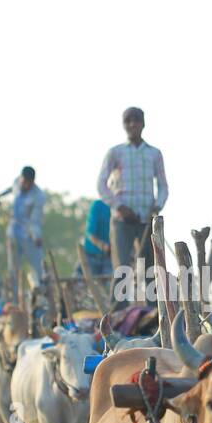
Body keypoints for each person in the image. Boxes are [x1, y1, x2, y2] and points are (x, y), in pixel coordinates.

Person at [97, 107, 168, 299]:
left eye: (136, 120)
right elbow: (101, 184)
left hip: (146, 220)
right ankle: (118, 315)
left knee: (150, 266)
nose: (132, 124)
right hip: (122, 220)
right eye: (128, 120)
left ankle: (156, 314)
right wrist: (119, 206)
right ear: (124, 125)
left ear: (143, 123)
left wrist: (157, 206)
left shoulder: (154, 153)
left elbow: (163, 186)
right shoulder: (115, 153)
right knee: (122, 268)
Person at [3, 166, 45, 301]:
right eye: (23, 180)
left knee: (38, 267)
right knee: (13, 269)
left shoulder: (38, 196)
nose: (23, 183)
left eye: (27, 181)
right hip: (13, 233)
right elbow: (11, 190)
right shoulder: (17, 182)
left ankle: (40, 297)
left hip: (29, 236)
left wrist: (36, 236)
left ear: (32, 182)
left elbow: (35, 220)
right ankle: (14, 300)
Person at [78, 198, 112, 277]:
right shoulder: (98, 205)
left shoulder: (123, 206)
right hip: (91, 256)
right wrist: (103, 246)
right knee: (82, 282)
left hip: (109, 259)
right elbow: (90, 233)